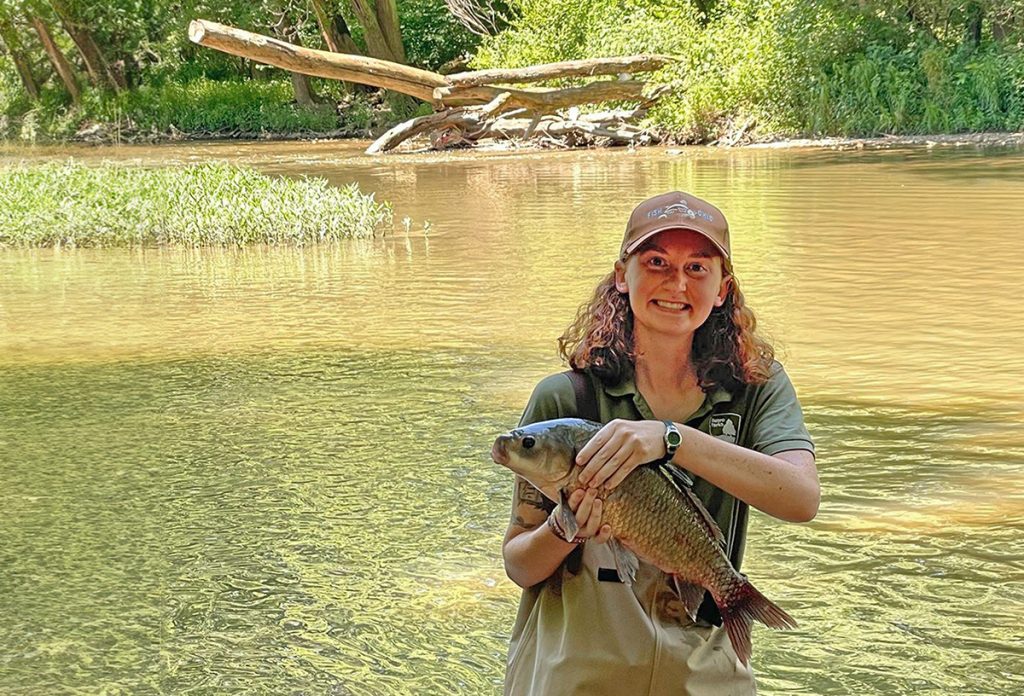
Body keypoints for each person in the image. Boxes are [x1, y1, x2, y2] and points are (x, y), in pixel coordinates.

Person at [501, 191, 819, 695]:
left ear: (722, 290)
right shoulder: (565, 400)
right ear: (621, 277)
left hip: (702, 667)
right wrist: (566, 527)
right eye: (656, 262)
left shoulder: (757, 386)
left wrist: (673, 440)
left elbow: (802, 499)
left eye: (697, 267)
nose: (677, 283)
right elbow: (519, 565)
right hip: (575, 670)